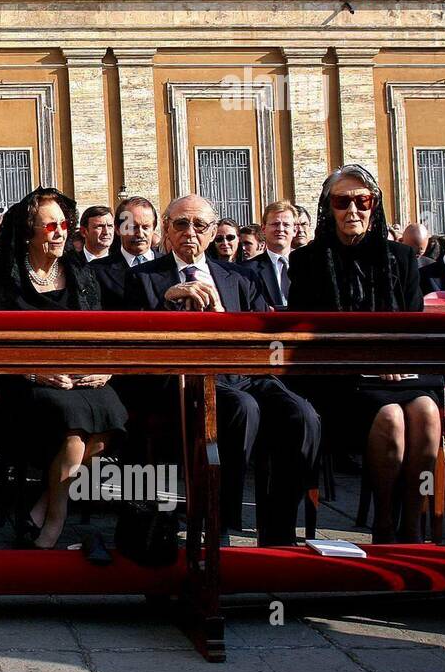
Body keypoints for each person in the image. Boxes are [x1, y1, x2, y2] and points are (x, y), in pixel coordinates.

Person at [127, 194, 320, 546]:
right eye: (181, 224)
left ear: (213, 231)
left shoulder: (238, 276)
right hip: (185, 379)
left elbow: (263, 332)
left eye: (199, 225)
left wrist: (221, 315)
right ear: (167, 230)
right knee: (242, 409)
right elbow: (136, 339)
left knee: (302, 414)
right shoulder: (144, 277)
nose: (190, 232)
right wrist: (167, 301)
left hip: (243, 371)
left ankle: (278, 530)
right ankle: (221, 521)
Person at [288, 165, 442, 543]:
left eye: (362, 200)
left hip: (400, 370)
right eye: (342, 201)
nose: (353, 210)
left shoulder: (402, 258)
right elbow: (305, 333)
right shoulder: (307, 261)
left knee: (427, 413)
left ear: (374, 206)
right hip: (341, 377)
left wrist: (392, 359)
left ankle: (414, 523)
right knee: (391, 417)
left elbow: (413, 323)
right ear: (329, 208)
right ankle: (384, 522)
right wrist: (367, 360)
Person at [0, 188, 126, 549]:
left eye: (63, 224)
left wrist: (106, 370)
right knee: (73, 436)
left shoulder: (79, 271)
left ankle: (42, 504)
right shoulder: (3, 279)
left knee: (111, 423)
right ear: (29, 231)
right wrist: (33, 373)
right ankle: (55, 522)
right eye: (50, 226)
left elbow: (102, 332)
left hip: (80, 376)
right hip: (26, 381)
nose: (61, 232)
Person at [91, 195, 157, 309]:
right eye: (132, 227)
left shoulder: (171, 267)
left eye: (146, 227)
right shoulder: (96, 271)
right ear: (118, 229)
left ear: (154, 228)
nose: (140, 234)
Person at [247, 200, 298, 309]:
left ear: (294, 230)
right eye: (275, 224)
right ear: (263, 229)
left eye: (286, 225)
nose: (280, 229)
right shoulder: (247, 270)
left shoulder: (308, 265)